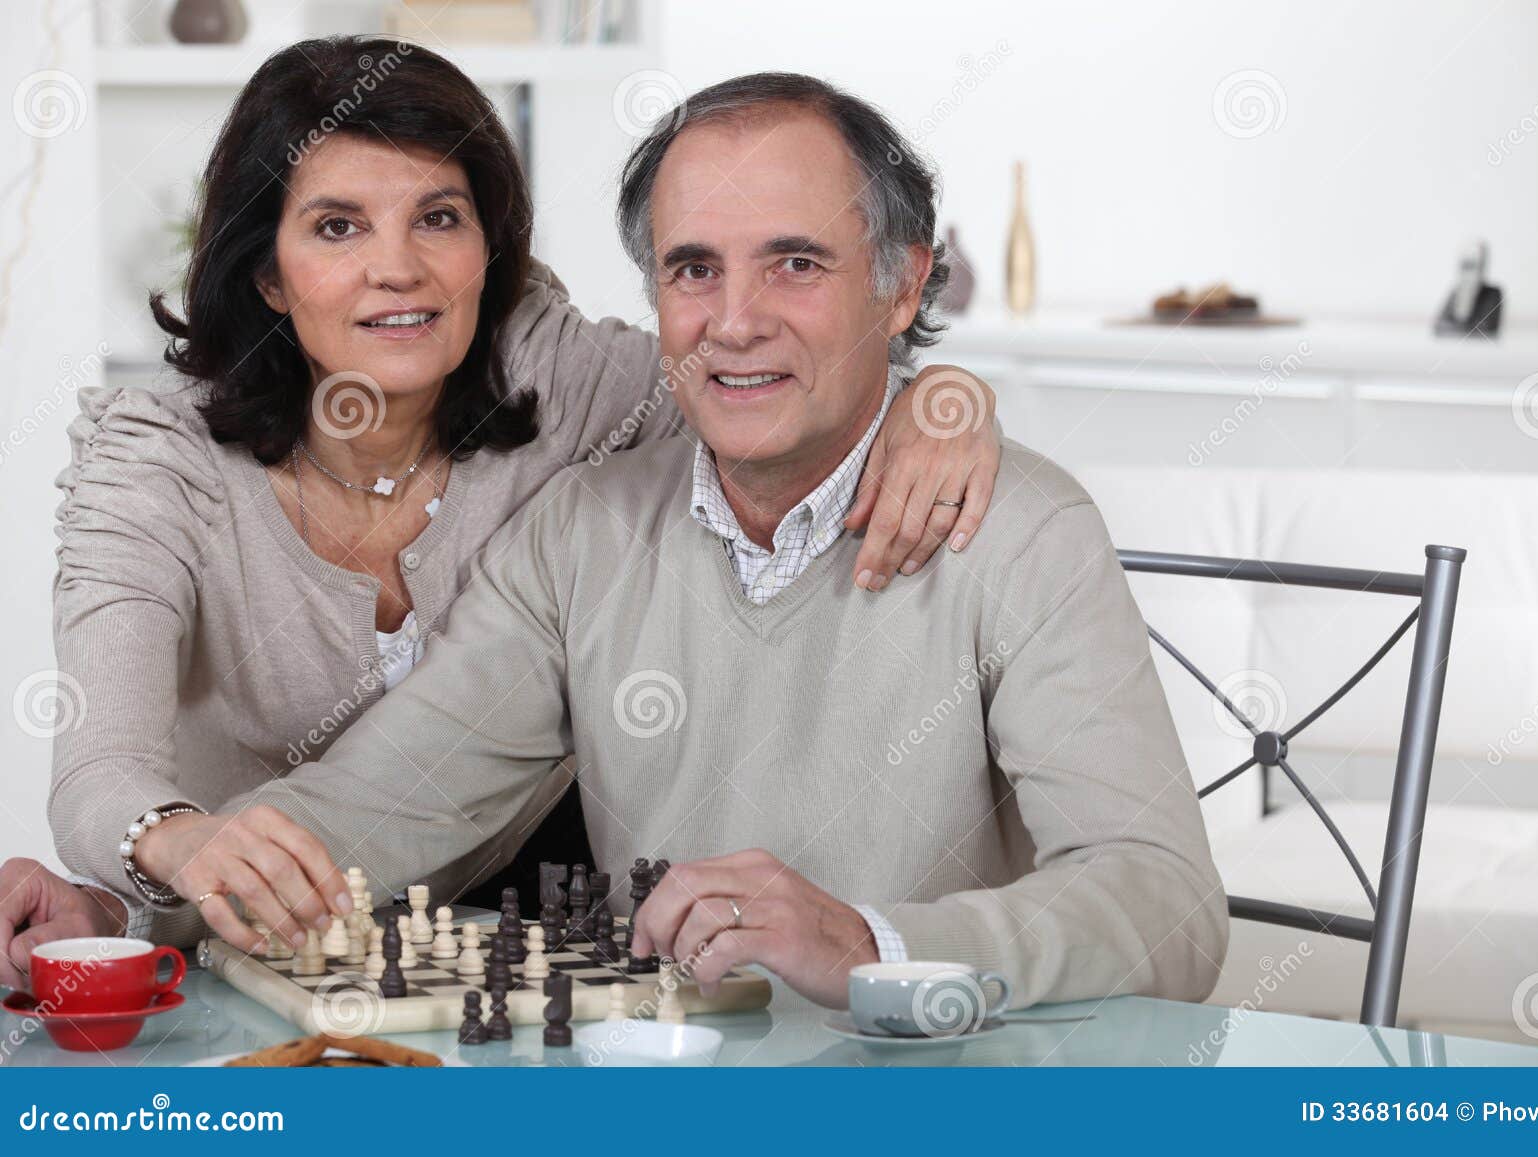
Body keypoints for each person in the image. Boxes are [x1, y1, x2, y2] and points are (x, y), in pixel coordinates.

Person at [112, 72, 1228, 1011]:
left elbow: (1165, 904)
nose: (733, 321)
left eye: (796, 262)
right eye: (694, 268)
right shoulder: (579, 532)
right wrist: (125, 901)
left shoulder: (1022, 531)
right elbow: (380, 803)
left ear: (901, 284)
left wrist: (868, 942)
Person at [0, 43, 1005, 991]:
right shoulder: (155, 458)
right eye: (338, 227)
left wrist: (940, 396)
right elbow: (101, 768)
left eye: (438, 217)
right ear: (268, 272)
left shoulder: (561, 380)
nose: (398, 268)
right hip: (256, 919)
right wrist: (166, 857)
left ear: (489, 245)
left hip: (529, 912)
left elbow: (776, 381)